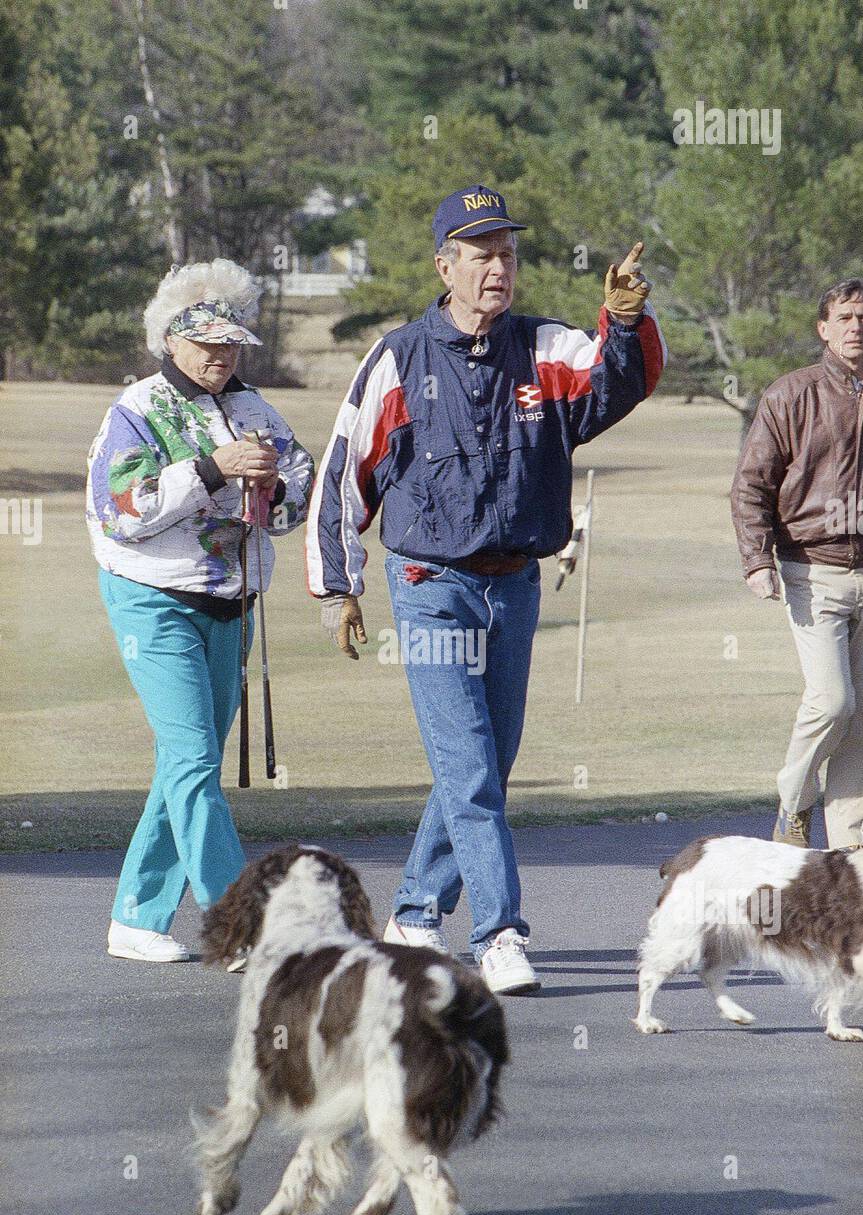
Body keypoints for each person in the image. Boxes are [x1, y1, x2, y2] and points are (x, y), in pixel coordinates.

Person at [306, 185, 666, 993]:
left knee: (487, 764)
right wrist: (339, 587)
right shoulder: (398, 355)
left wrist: (627, 323)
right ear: (445, 265)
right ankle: (498, 933)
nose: (497, 267)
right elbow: (344, 474)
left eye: (506, 252)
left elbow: (619, 385)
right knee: (469, 766)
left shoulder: (547, 346)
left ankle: (413, 912)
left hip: (515, 586)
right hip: (430, 586)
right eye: (480, 254)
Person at [86, 259, 314, 962]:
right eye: (204, 342)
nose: (219, 355)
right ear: (170, 340)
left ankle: (135, 916)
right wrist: (213, 468)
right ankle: (240, 923)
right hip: (153, 600)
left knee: (189, 764)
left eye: (230, 342)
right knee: (191, 759)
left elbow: (297, 493)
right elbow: (123, 512)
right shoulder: (137, 407)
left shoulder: (255, 408)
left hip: (230, 602)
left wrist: (273, 488)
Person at [732, 277, 863, 849]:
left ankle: (851, 851)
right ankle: (793, 800)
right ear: (824, 329)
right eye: (846, 318)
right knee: (833, 699)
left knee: (858, 725)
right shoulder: (791, 395)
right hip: (814, 569)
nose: (856, 327)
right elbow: (751, 485)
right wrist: (758, 560)